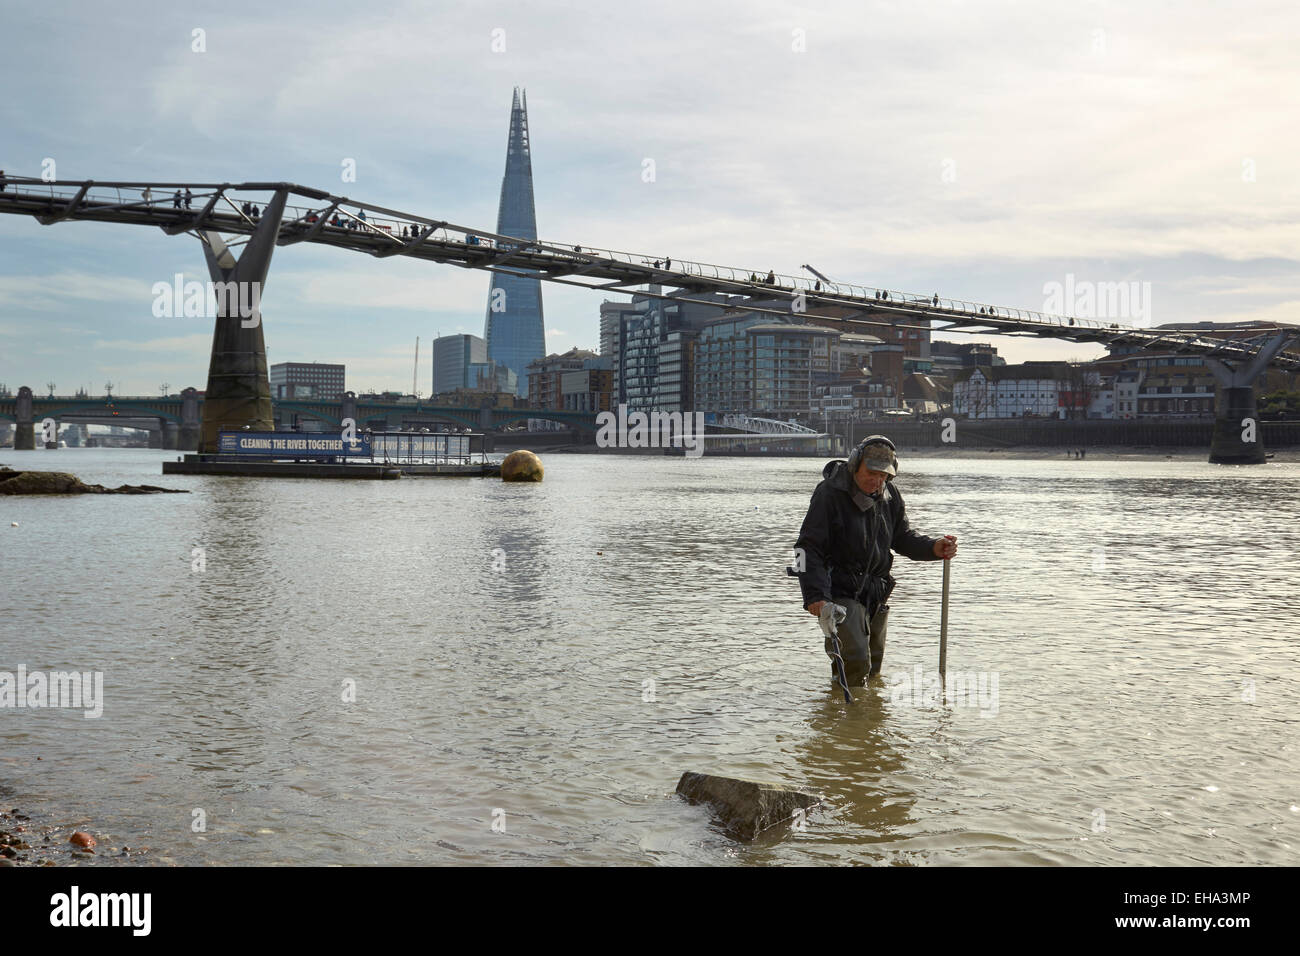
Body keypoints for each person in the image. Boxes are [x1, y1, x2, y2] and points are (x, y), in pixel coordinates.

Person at [793, 436, 957, 686]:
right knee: (855, 660)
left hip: (876, 593)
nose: (877, 481)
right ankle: (848, 719)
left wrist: (933, 548)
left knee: (873, 668)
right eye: (871, 473)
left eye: (884, 476)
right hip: (839, 591)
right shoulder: (829, 494)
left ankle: (860, 711)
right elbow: (806, 549)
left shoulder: (889, 494)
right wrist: (815, 596)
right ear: (854, 465)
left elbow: (901, 538)